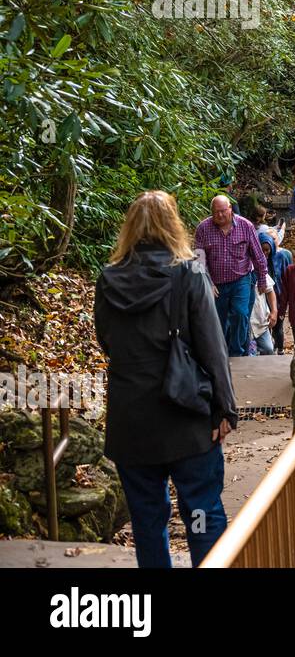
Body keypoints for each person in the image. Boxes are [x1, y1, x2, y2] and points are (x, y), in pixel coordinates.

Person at [94, 190, 238, 568]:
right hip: (186, 413)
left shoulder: (108, 280)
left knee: (147, 519)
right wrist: (225, 408)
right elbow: (213, 347)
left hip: (131, 420)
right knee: (201, 513)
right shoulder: (188, 273)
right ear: (172, 225)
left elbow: (107, 340)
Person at [194, 195, 270, 358]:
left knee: (240, 314)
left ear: (230, 210)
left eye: (223, 211)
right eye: (216, 212)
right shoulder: (203, 229)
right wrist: (207, 282)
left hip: (241, 279)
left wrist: (262, 279)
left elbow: (258, 256)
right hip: (216, 283)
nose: (219, 215)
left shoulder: (246, 226)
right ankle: (220, 353)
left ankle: (237, 353)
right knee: (218, 321)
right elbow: (199, 260)